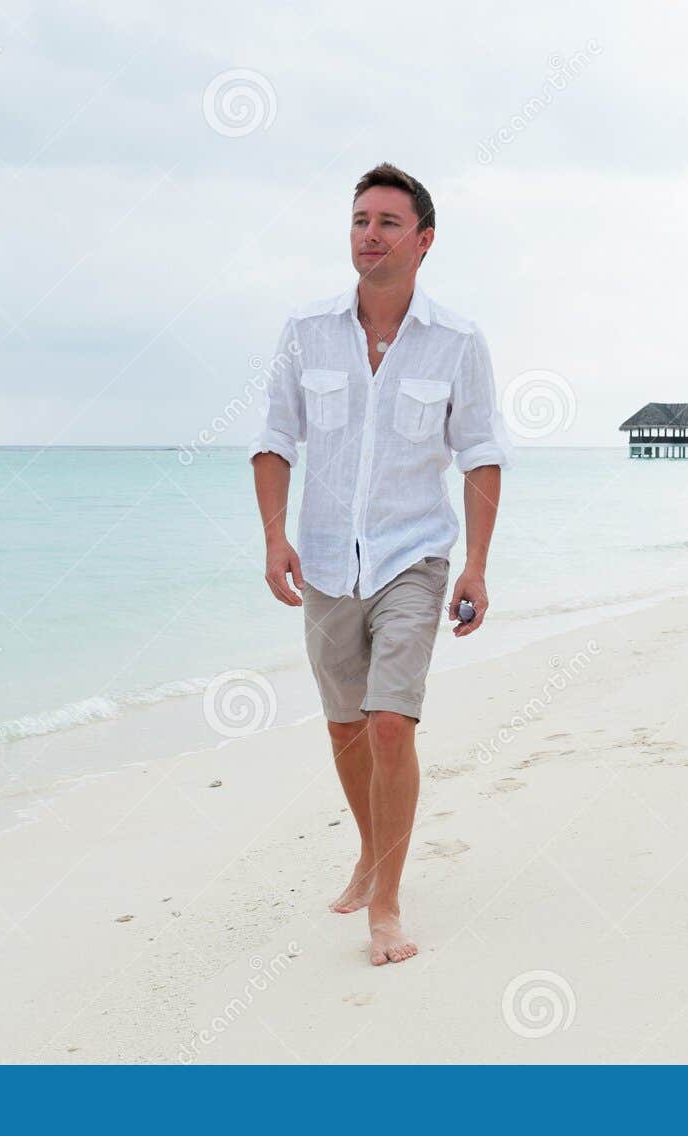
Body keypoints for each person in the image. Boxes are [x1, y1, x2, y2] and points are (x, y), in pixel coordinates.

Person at [248, 162, 510, 965]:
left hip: (414, 555)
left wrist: (476, 564)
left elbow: (481, 454)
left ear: (424, 241)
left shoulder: (457, 342)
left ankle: (387, 903)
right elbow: (274, 438)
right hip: (325, 560)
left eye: (389, 222)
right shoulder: (306, 331)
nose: (371, 234)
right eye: (361, 219)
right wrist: (273, 537)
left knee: (391, 722)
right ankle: (369, 850)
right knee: (346, 729)